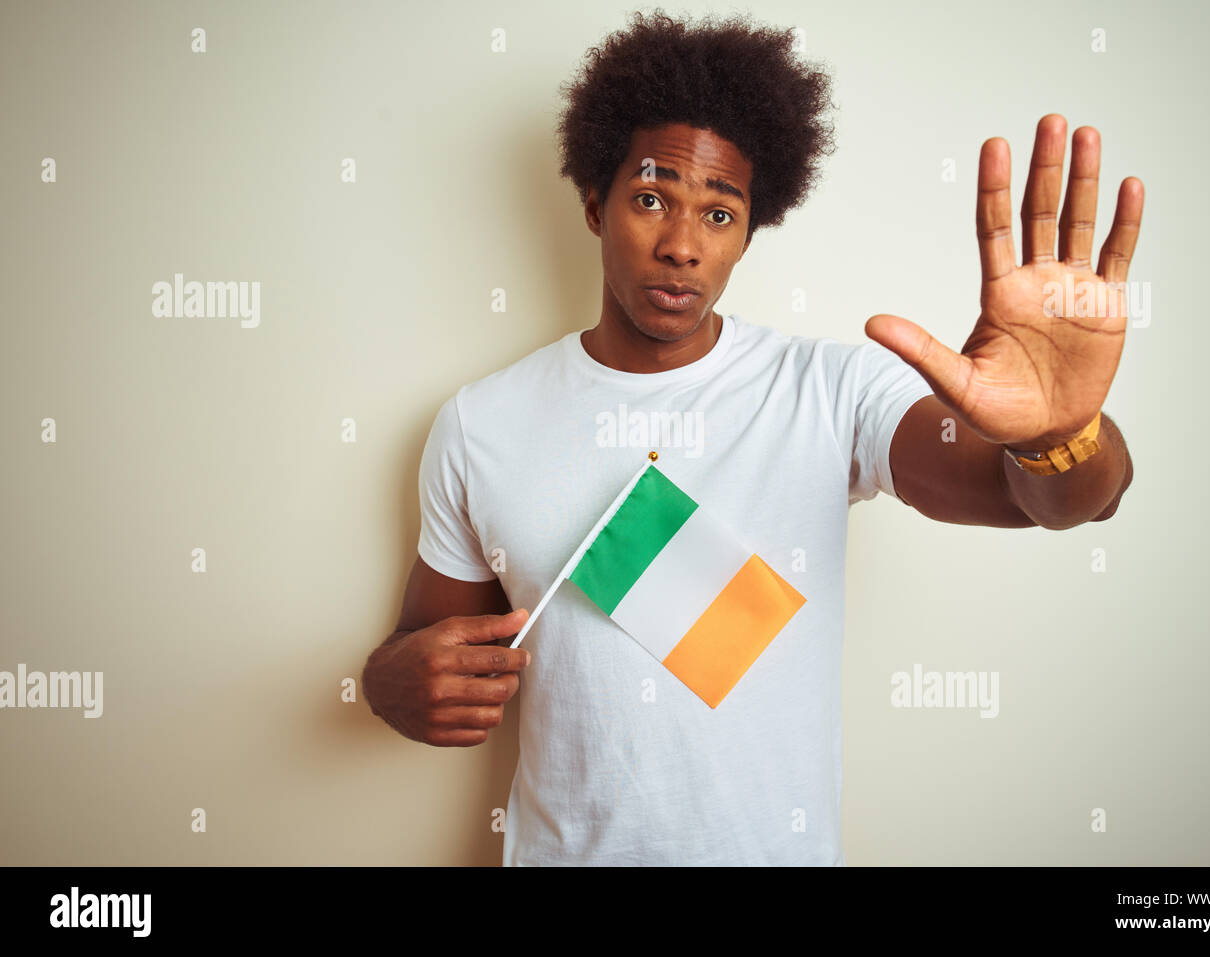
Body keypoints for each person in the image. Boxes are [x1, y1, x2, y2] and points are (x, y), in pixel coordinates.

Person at [361, 8, 1139, 865]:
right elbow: (427, 650)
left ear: (750, 232)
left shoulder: (831, 389)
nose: (683, 245)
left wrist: (1060, 434)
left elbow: (1040, 500)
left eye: (720, 214)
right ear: (594, 204)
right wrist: (383, 682)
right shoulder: (482, 423)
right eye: (652, 198)